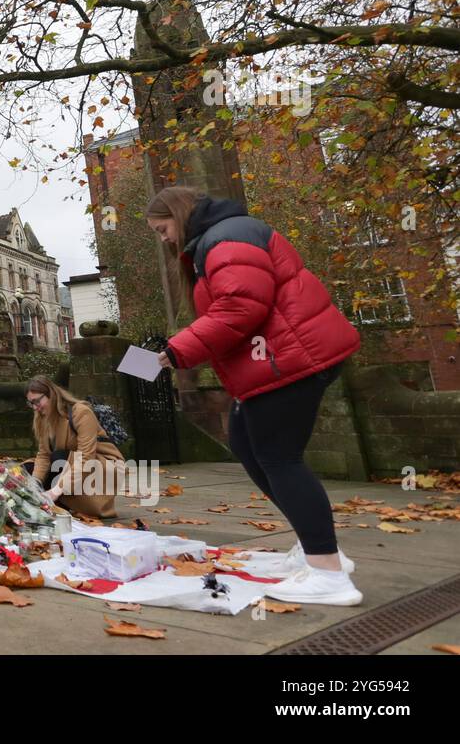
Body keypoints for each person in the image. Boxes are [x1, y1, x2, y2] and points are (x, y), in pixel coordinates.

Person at [145, 186, 363, 606]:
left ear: (178, 214)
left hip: (292, 359)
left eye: (163, 228)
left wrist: (177, 350)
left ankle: (329, 571)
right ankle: (311, 547)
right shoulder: (220, 236)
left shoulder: (226, 237)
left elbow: (241, 305)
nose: (164, 239)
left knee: (280, 458)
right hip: (283, 359)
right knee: (248, 446)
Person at [26, 376, 124, 519]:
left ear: (51, 395)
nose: (35, 407)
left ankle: (63, 500)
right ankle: (49, 500)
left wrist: (56, 490)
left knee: (59, 458)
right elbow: (44, 455)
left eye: (37, 401)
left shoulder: (81, 412)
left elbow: (86, 458)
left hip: (100, 467)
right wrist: (34, 484)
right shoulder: (43, 417)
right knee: (27, 472)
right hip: (69, 464)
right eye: (30, 403)